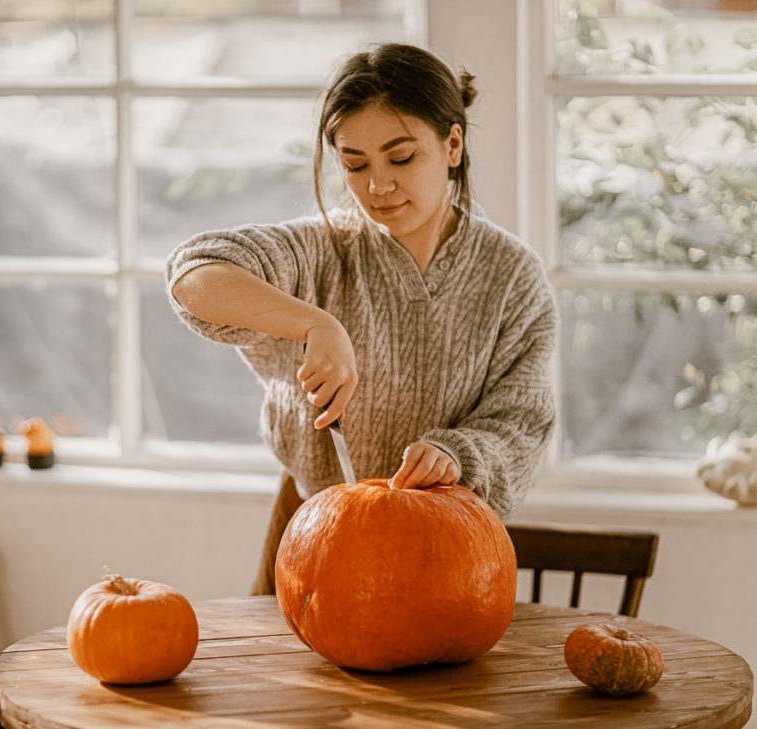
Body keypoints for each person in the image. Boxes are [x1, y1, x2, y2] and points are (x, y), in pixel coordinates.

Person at [166, 42, 557, 594]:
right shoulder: (320, 251)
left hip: (448, 544)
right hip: (316, 530)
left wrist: (455, 454)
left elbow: (522, 422)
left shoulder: (513, 275)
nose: (377, 185)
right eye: (355, 164)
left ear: (452, 143)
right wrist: (314, 323)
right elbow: (194, 273)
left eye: (401, 158)